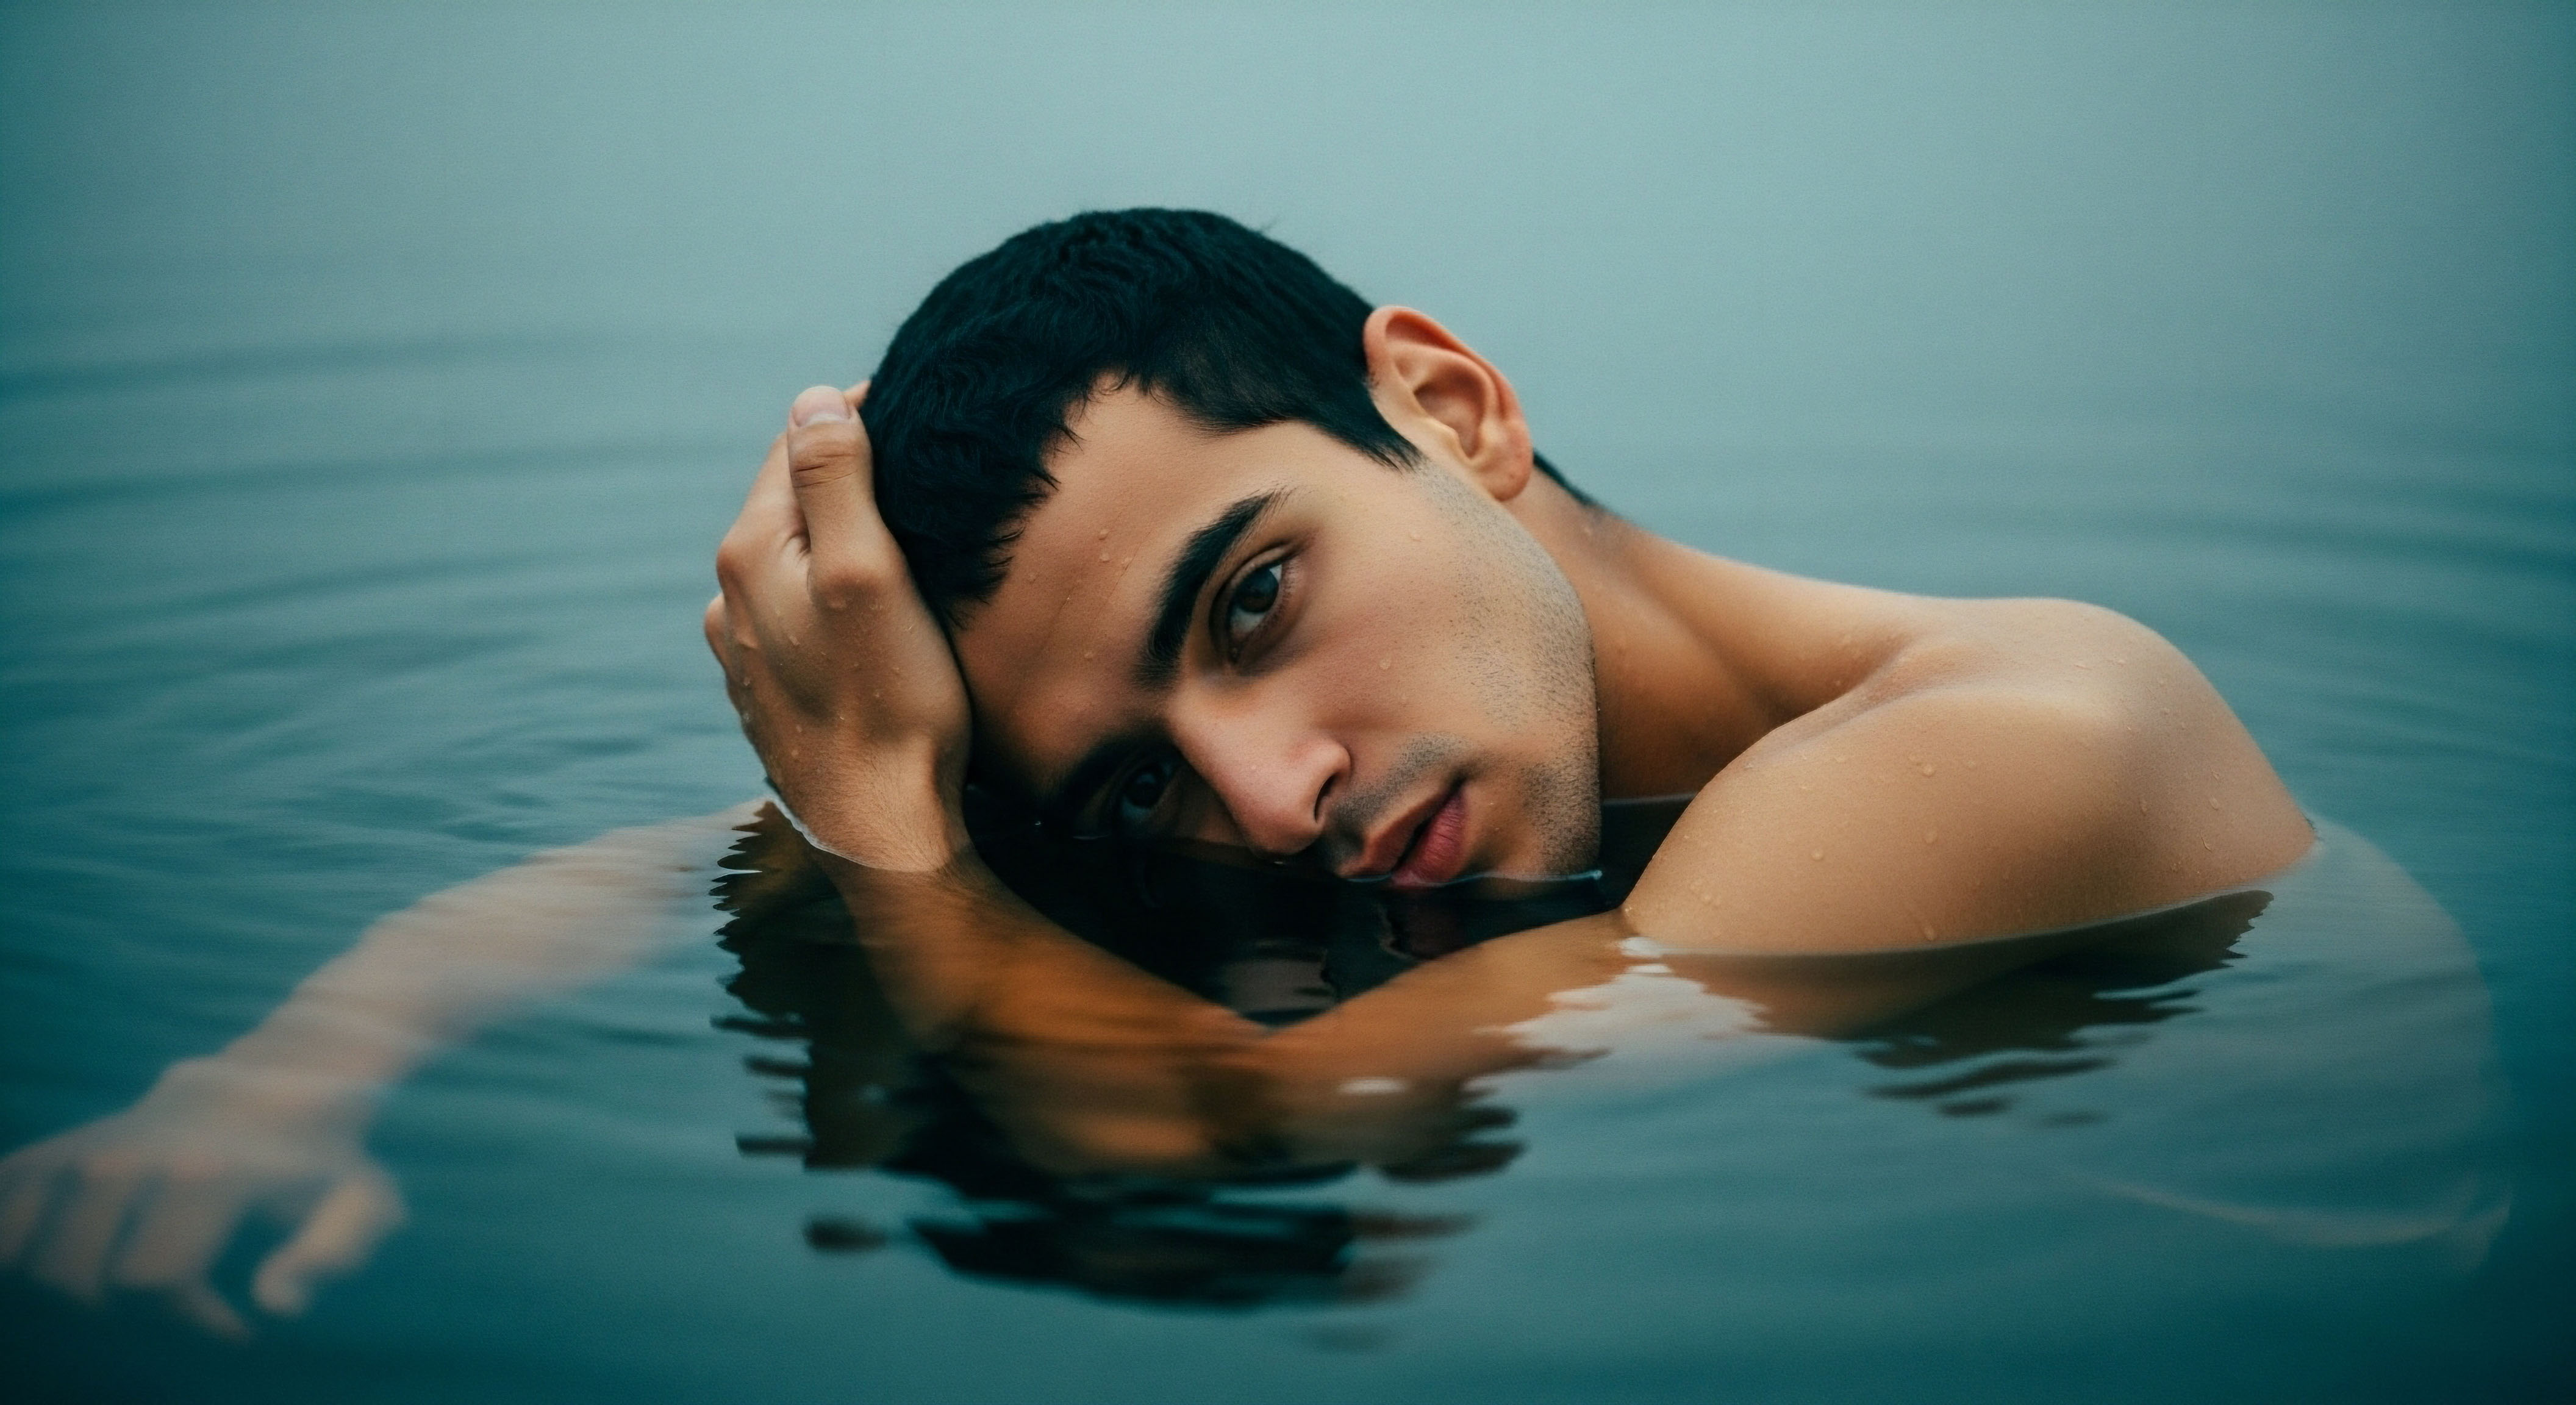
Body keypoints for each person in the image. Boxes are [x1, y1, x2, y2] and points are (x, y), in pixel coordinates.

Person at [0, 209, 2319, 1334]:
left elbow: (1267, 1135)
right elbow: (689, 861)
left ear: (1448, 404)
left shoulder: (2012, 748)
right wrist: (284, 1073)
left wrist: (911, 857)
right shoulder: (1523, 811)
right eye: (1132, 787)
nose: (1263, 790)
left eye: (1250, 601)